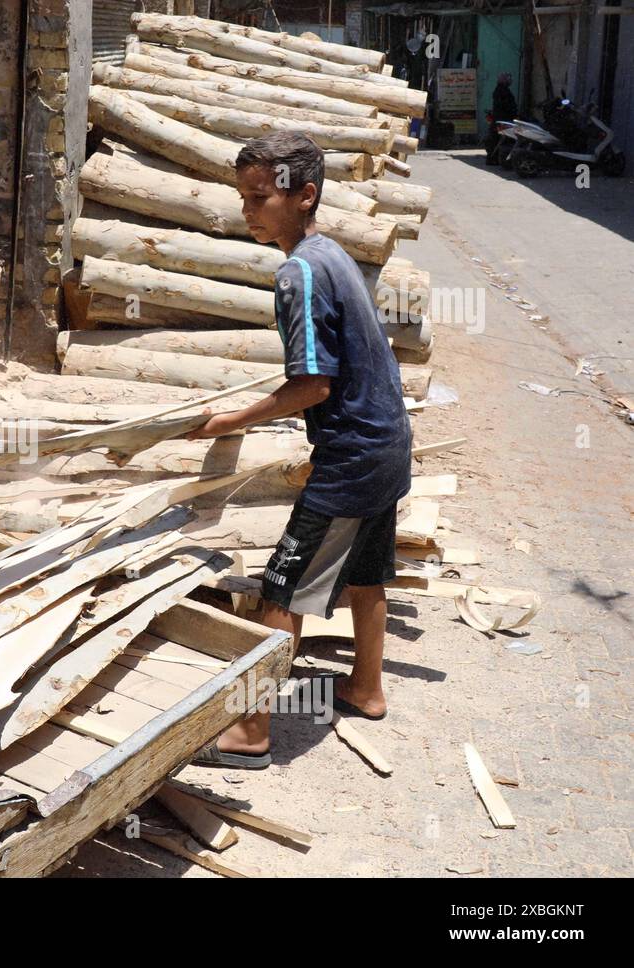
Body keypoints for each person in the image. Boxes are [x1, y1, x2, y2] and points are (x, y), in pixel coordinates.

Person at [187, 132, 413, 768]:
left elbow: (312, 384)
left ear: (304, 195)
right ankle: (366, 689)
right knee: (366, 576)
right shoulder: (331, 254)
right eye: (242, 197)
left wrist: (231, 419)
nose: (248, 211)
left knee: (280, 593)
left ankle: (253, 732)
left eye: (260, 197)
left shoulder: (299, 272)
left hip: (352, 457)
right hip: (387, 443)